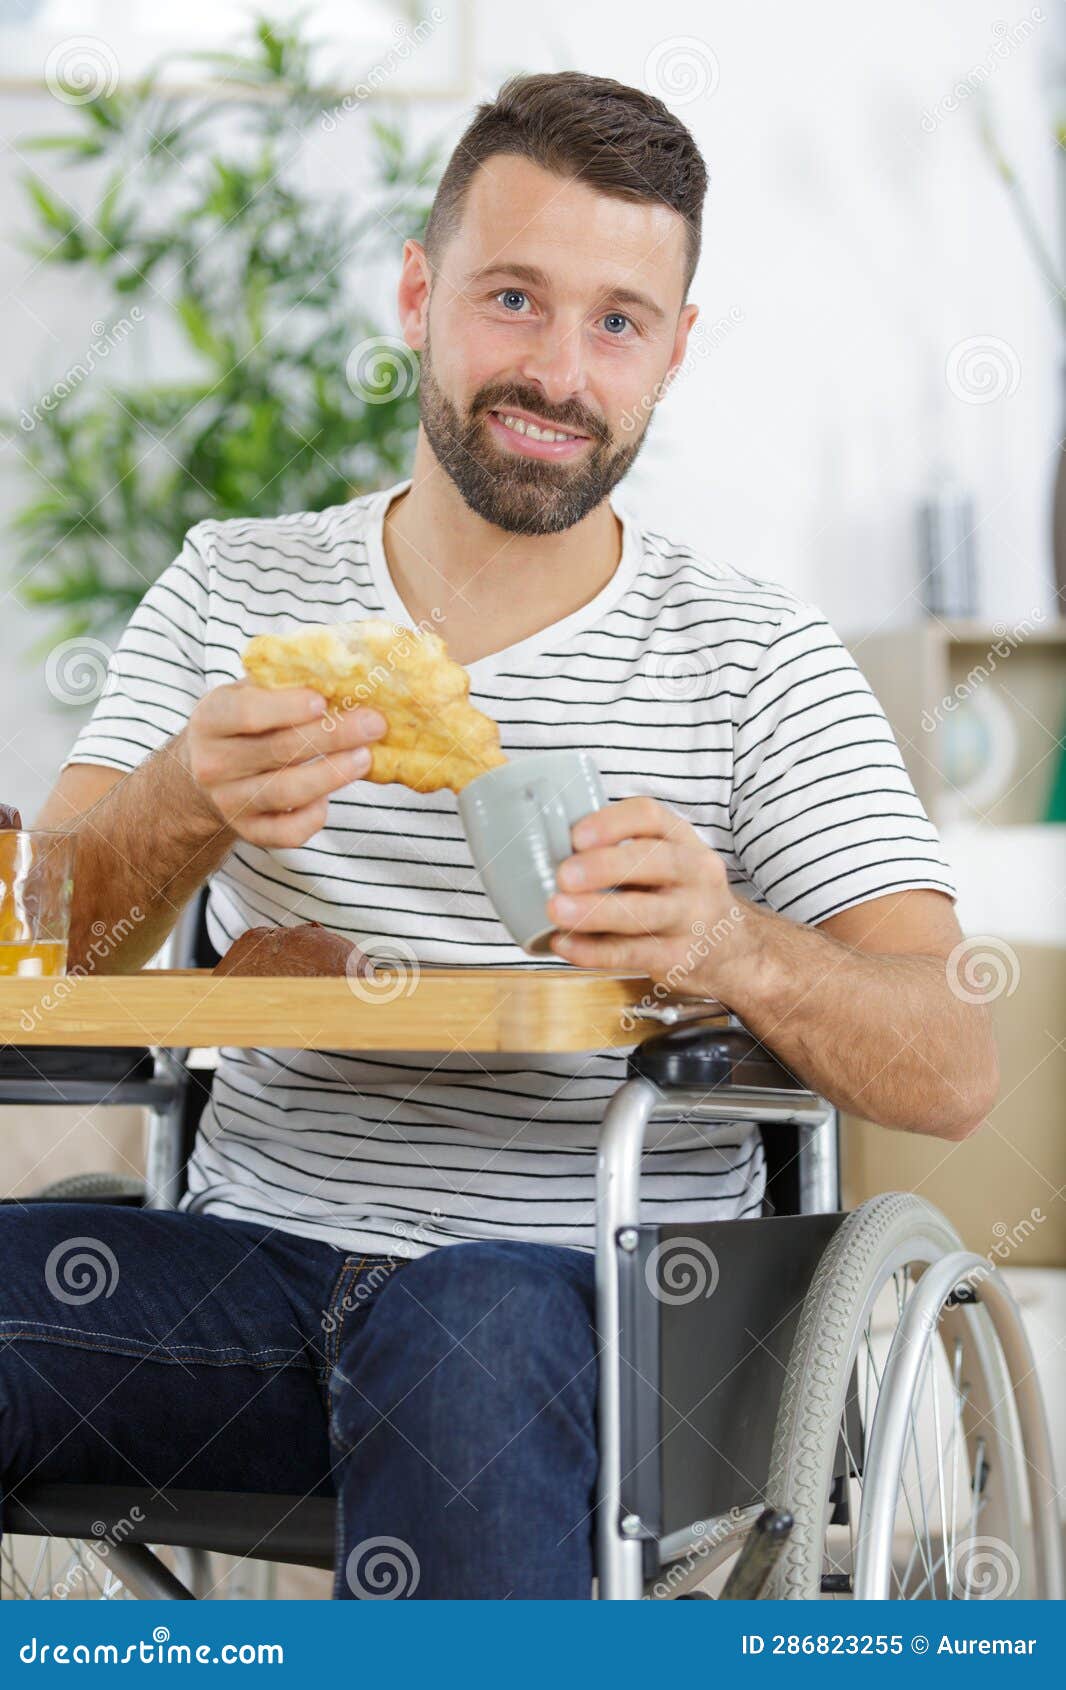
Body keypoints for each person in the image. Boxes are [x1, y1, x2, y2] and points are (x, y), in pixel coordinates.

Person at [1, 71, 996, 1600]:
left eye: (615, 321)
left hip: (607, 1313)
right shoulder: (234, 591)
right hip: (256, 1290)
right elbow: (45, 942)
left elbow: (950, 1058)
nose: (556, 369)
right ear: (417, 292)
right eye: (512, 297)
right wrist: (183, 799)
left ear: (671, 351)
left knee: (462, 1327)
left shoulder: (756, 656)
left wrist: (732, 943)